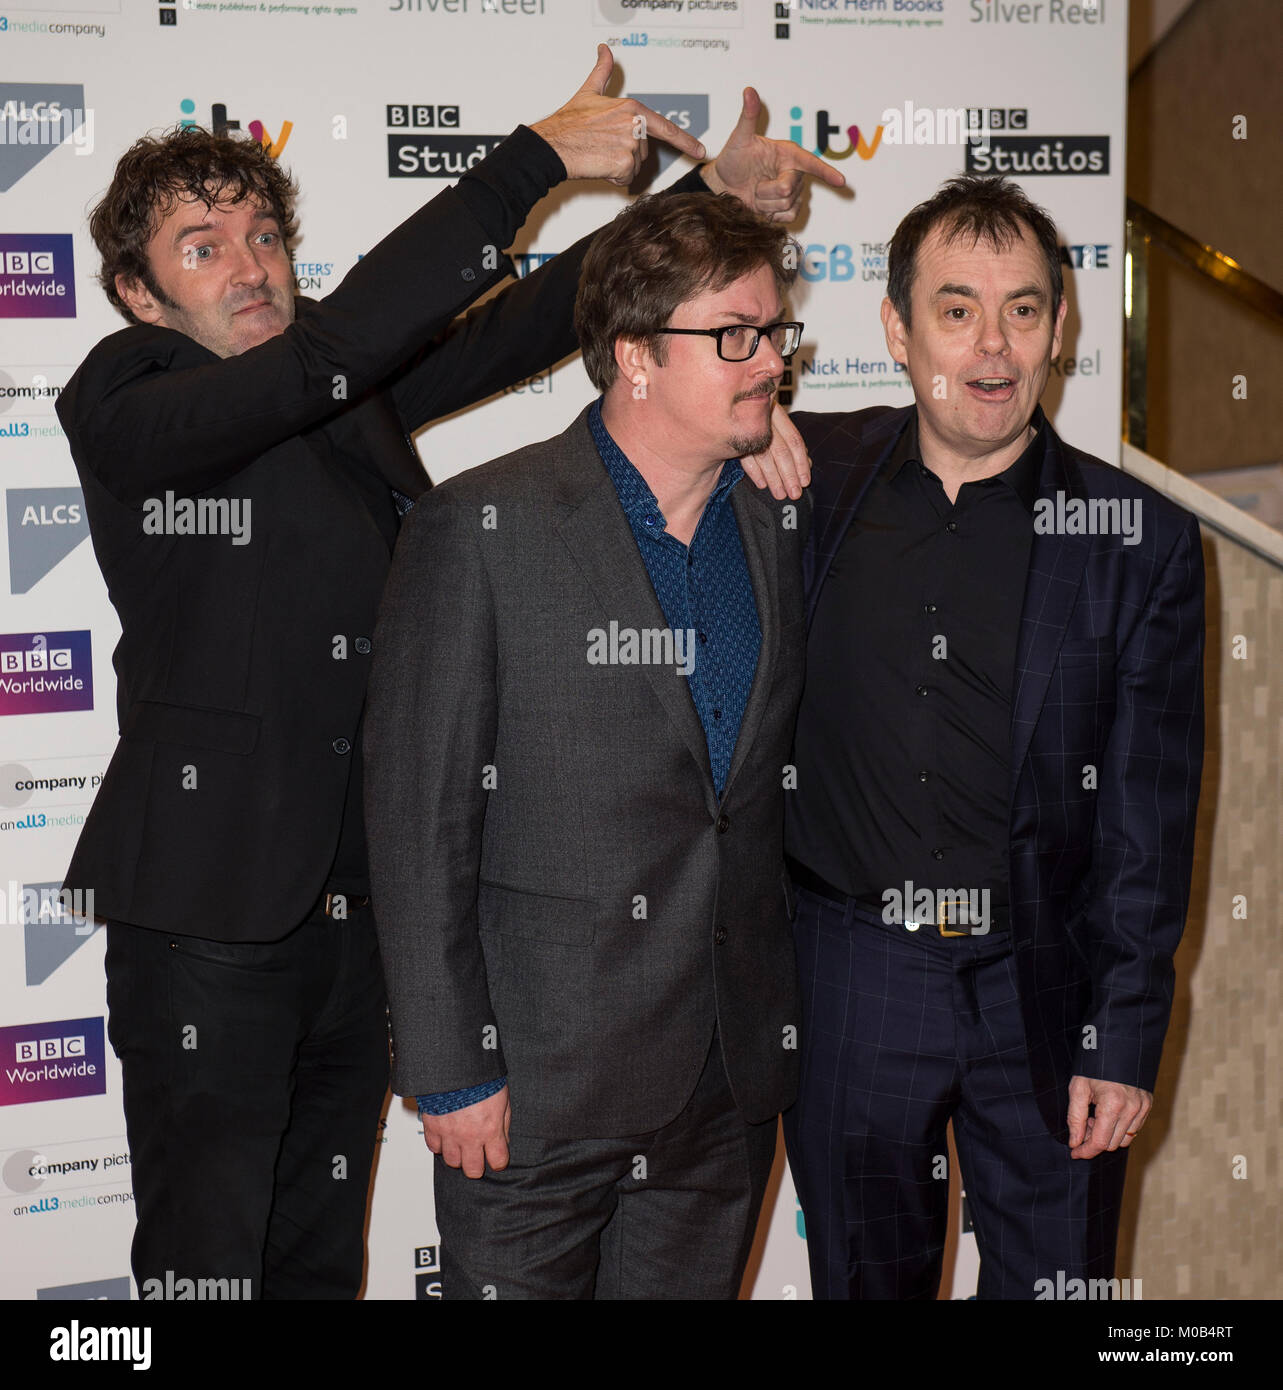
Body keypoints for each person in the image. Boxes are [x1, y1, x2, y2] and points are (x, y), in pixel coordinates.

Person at [57, 48, 835, 1299]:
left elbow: (533, 324)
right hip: (208, 919)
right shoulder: (125, 398)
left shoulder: (335, 398)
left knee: (314, 1260)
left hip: (355, 915)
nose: (250, 264)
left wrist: (698, 221)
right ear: (138, 296)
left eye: (262, 234)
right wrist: (528, 161)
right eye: (202, 247)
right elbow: (355, 331)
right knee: (204, 1268)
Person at [364, 191, 810, 1299]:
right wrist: (446, 1065)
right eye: (734, 338)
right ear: (633, 358)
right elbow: (418, 820)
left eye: (775, 334)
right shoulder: (479, 528)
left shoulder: (773, 523)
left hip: (720, 1087)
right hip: (533, 1093)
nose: (768, 364)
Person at [773, 174, 1205, 1299]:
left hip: (1044, 988)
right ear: (894, 326)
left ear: (1061, 326)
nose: (992, 345)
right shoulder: (802, 480)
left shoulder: (1139, 541)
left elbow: (1146, 825)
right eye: (955, 308)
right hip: (853, 975)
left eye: (1022, 308)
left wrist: (1121, 1032)